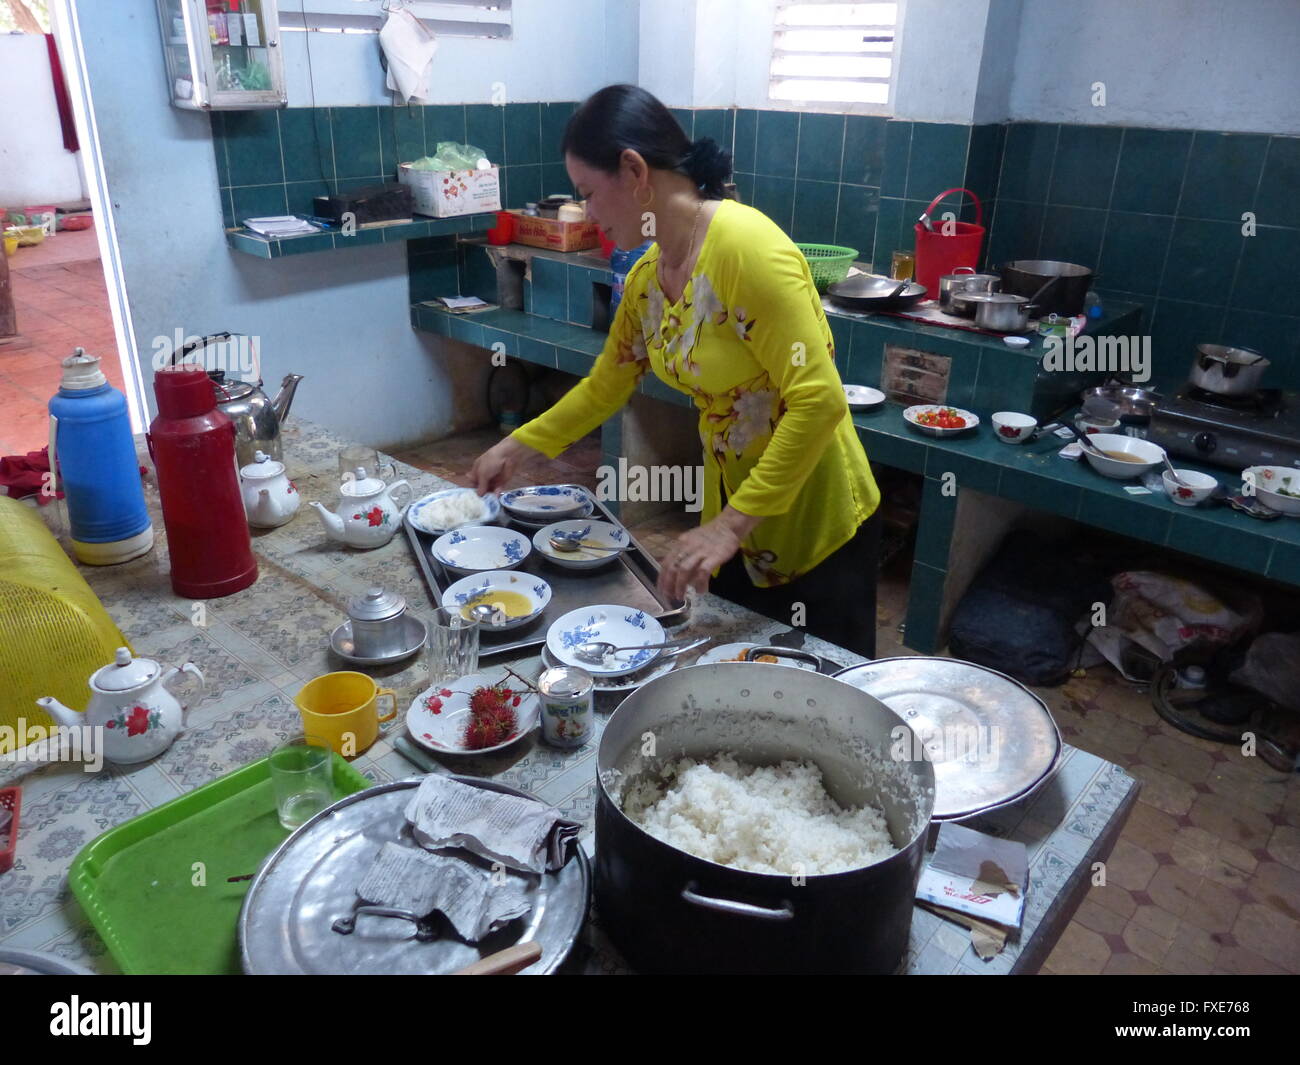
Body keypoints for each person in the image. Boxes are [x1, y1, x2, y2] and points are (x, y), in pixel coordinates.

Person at [470, 85, 882, 657]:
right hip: (736, 523)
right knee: (748, 673)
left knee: (827, 688)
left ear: (634, 170)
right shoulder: (648, 276)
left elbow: (820, 402)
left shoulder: (745, 248)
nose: (587, 214)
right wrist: (516, 448)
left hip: (814, 522)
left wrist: (728, 525)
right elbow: (606, 385)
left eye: (589, 193)